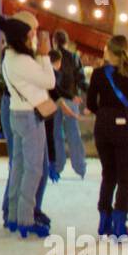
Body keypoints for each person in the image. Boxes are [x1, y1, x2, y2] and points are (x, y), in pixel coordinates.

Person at [0, 14, 55, 237]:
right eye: (30, 33)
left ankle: (13, 215)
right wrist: (45, 57)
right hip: (30, 117)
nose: (34, 36)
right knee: (33, 168)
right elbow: (48, 81)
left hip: (16, 113)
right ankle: (25, 217)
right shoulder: (22, 60)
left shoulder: (9, 58)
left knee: (19, 166)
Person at [86, 34, 128, 239]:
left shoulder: (97, 74)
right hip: (124, 128)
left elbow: (90, 104)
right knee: (125, 178)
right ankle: (120, 224)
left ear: (108, 51)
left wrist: (104, 113)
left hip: (102, 126)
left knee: (108, 174)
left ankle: (104, 221)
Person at [50, 30, 87, 180]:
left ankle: (58, 165)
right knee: (73, 133)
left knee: (56, 133)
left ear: (54, 41)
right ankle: (80, 166)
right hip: (71, 99)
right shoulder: (74, 57)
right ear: (66, 42)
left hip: (54, 99)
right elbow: (80, 78)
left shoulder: (49, 56)